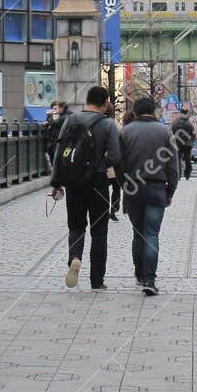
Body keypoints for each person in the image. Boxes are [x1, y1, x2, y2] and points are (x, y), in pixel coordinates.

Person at [49, 84, 122, 290]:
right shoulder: (108, 124)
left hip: (74, 182)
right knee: (99, 230)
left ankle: (74, 257)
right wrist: (100, 165)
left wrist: (56, 183)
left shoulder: (70, 120)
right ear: (105, 102)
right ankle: (97, 280)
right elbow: (116, 155)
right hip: (98, 182)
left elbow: (59, 153)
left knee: (76, 226)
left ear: (87, 100)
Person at [117, 97, 180, 296]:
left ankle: (140, 275)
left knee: (138, 234)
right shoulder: (164, 131)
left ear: (135, 112)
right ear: (154, 111)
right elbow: (173, 166)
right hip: (156, 188)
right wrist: (170, 191)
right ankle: (150, 280)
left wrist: (123, 184)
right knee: (152, 234)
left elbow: (117, 162)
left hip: (133, 189)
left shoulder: (125, 132)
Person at [43, 100, 69, 170]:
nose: (54, 110)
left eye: (56, 108)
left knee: (58, 158)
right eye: (53, 109)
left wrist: (50, 119)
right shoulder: (55, 116)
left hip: (60, 141)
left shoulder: (65, 116)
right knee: (52, 157)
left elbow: (54, 123)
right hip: (53, 141)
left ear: (62, 108)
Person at [170, 113, 197, 180]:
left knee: (178, 159)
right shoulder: (190, 123)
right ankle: (187, 173)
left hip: (178, 143)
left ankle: (178, 174)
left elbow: (172, 131)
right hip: (188, 144)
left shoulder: (175, 122)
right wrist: (192, 140)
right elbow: (194, 133)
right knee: (187, 159)